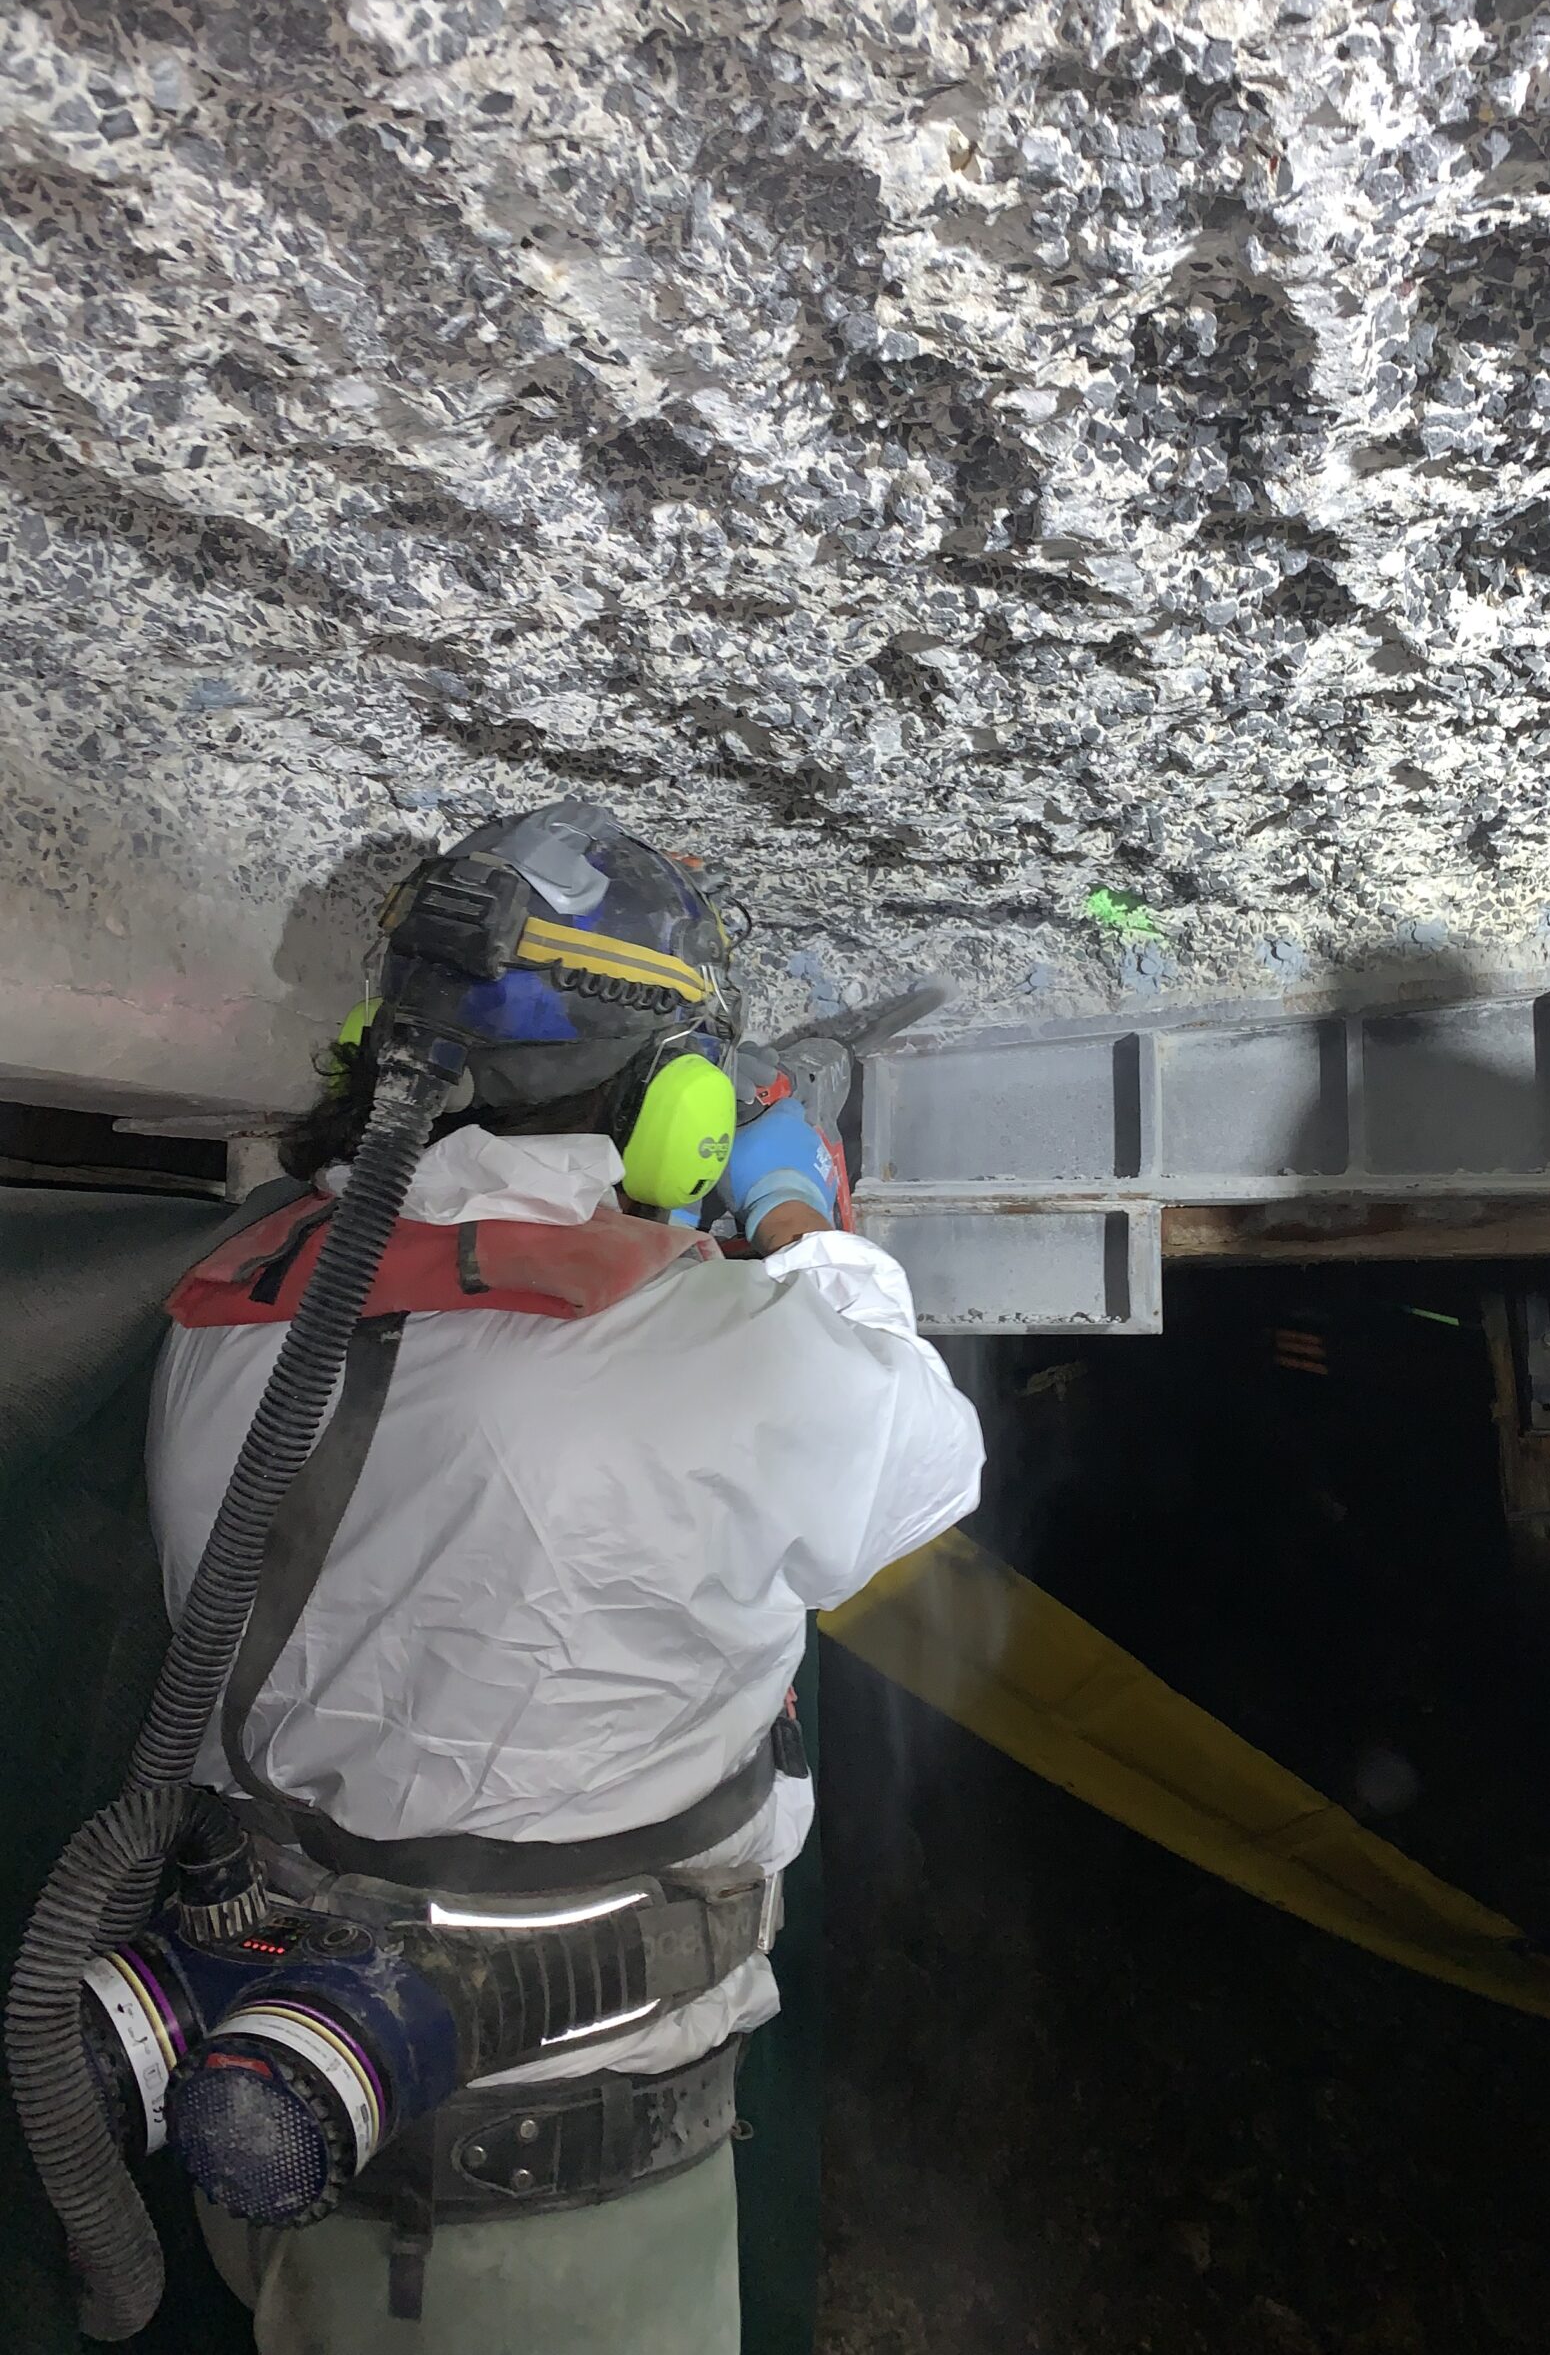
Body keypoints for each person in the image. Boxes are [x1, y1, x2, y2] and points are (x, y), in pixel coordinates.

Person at [145, 803, 985, 2355]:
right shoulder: (706, 1358)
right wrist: (796, 1213)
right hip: (546, 2226)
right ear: (674, 1112)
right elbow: (931, 1459)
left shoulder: (233, 1322)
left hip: (281, 2143)